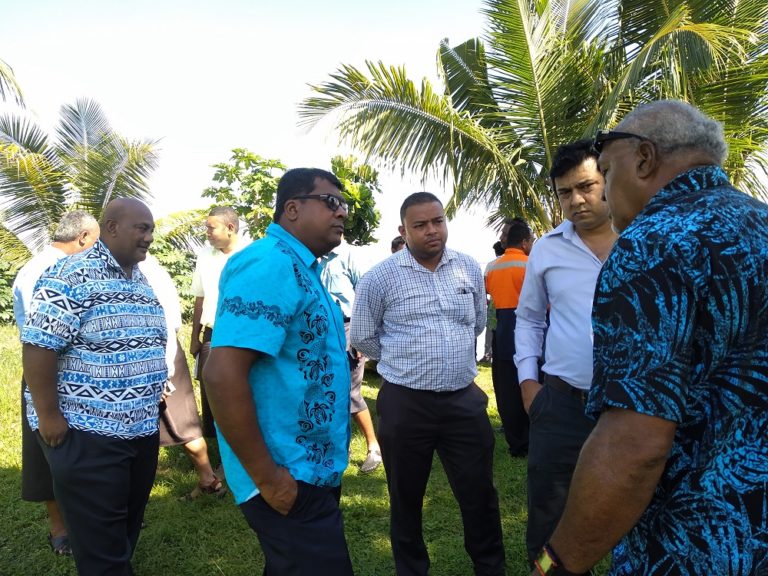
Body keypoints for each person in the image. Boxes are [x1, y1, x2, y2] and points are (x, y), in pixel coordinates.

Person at [531, 100, 768, 575]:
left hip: (695, 544)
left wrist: (556, 564)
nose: (603, 189)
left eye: (605, 171)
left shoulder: (652, 243)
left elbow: (635, 446)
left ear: (643, 159)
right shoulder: (760, 222)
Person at [203, 168, 354, 575]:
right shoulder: (270, 264)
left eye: (344, 204)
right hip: (285, 471)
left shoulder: (303, 267)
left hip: (308, 467)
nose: (341, 212)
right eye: (330, 202)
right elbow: (221, 374)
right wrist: (269, 478)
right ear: (292, 208)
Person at [352, 192, 506, 576]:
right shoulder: (380, 277)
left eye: (437, 221)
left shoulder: (468, 268)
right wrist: (408, 364)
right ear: (403, 230)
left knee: (480, 496)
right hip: (406, 405)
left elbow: (476, 322)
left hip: (463, 403)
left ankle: (490, 568)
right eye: (420, 225)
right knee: (406, 499)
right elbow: (365, 336)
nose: (432, 230)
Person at [21, 198, 167, 575]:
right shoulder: (69, 275)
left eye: (151, 229)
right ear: (112, 227)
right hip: (87, 432)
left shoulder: (138, 277)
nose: (149, 237)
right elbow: (38, 347)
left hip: (139, 429)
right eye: (142, 228)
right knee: (101, 546)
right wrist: (50, 417)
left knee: (123, 528)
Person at [515, 139, 617, 567]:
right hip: (561, 403)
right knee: (549, 512)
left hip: (633, 407)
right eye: (563, 192)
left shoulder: (645, 239)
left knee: (643, 505)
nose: (576, 200)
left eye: (586, 186)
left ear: (608, 180)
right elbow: (529, 319)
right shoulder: (548, 249)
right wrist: (528, 383)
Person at [12, 210, 100, 556]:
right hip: (47, 374)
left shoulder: (49, 265)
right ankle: (59, 527)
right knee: (45, 454)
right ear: (83, 238)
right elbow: (42, 342)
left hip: (71, 374)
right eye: (96, 244)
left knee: (72, 452)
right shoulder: (46, 271)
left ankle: (84, 522)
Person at [139, 256, 225, 500]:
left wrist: (164, 371)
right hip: (141, 361)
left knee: (183, 424)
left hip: (161, 356)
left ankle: (209, 478)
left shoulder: (148, 270)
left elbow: (168, 322)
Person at [320, 238, 382, 473]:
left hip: (349, 329)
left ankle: (373, 447)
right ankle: (338, 448)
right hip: (324, 330)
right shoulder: (316, 257)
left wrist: (360, 338)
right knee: (330, 392)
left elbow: (368, 301)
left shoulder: (351, 257)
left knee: (350, 393)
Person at [189, 206, 242, 438]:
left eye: (211, 228)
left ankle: (235, 448)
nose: (207, 233)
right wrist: (195, 338)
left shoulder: (250, 255)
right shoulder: (205, 256)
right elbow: (199, 298)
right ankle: (216, 443)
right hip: (212, 334)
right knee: (210, 388)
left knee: (236, 393)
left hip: (240, 337)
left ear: (230, 228)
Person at [485, 218, 534, 456]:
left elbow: (489, 297)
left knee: (506, 389)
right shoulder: (532, 264)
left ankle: (517, 443)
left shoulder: (492, 267)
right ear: (524, 242)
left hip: (502, 333)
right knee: (532, 380)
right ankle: (534, 436)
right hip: (530, 330)